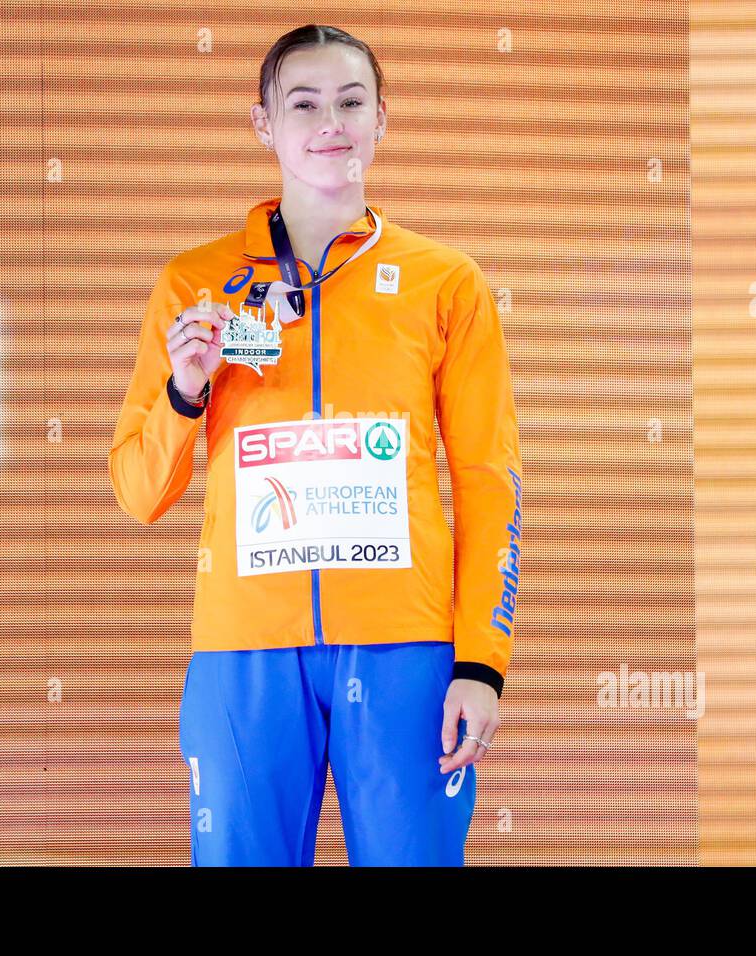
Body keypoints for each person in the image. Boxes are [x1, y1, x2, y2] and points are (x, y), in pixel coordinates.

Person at [109, 24, 522, 866]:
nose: (329, 121)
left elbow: (487, 481)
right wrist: (187, 392)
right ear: (263, 123)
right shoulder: (195, 284)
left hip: (407, 651)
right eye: (303, 103)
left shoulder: (447, 283)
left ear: (382, 119)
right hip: (244, 655)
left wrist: (481, 663)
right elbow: (137, 488)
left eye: (350, 101)